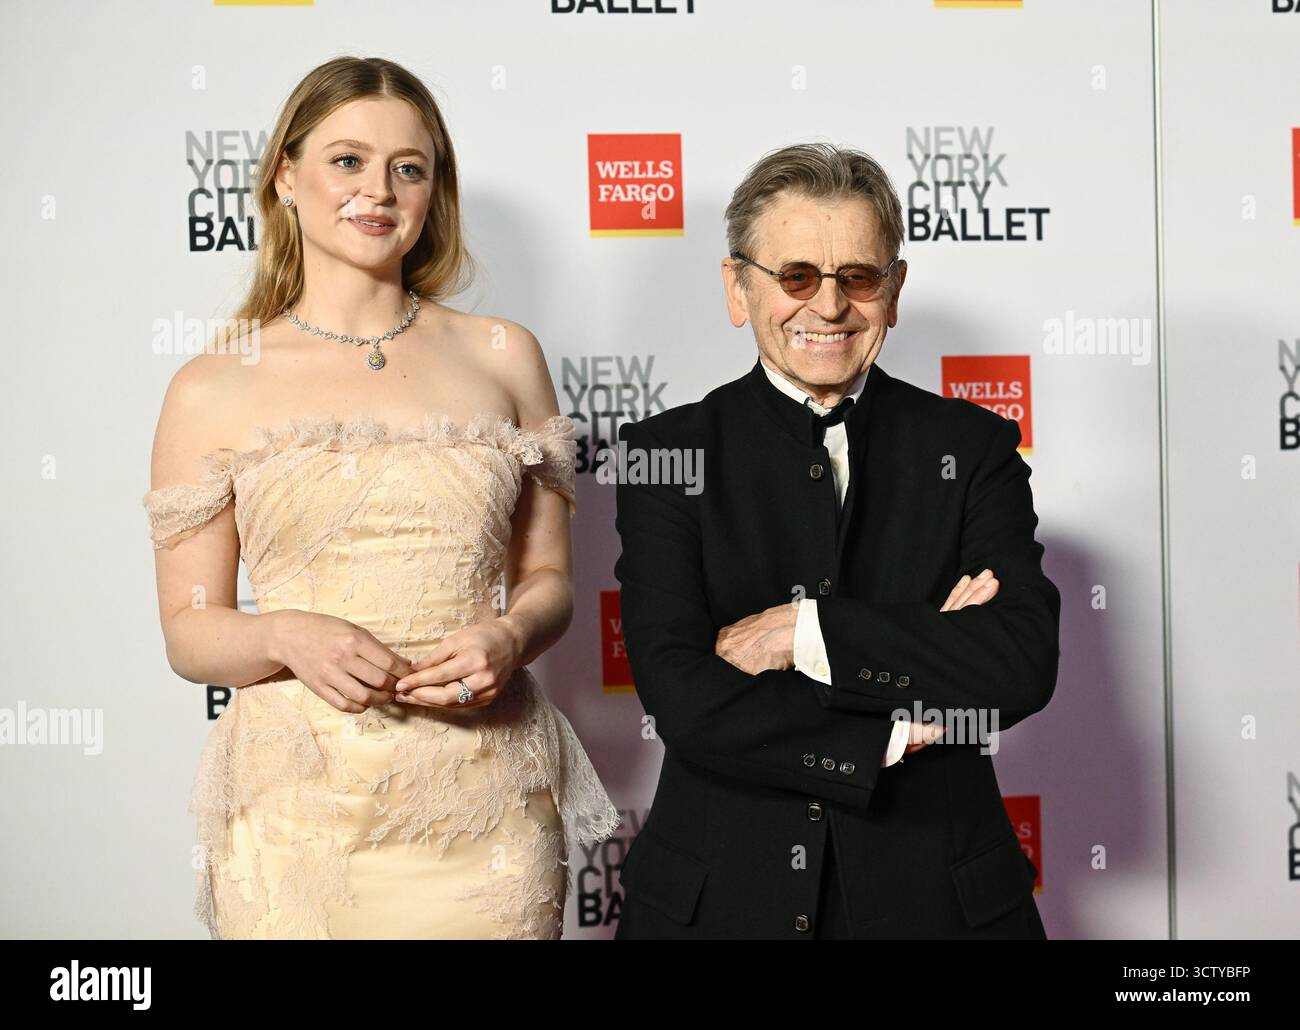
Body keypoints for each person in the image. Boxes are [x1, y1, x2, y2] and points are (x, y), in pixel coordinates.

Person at [143, 56, 618, 939]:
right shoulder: (211, 386)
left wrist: (511, 634)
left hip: (489, 807)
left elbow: (550, 573)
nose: (380, 191)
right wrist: (283, 634)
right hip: (298, 819)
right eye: (348, 161)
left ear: (435, 190)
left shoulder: (505, 355)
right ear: (286, 176)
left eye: (411, 167)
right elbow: (190, 628)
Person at [612, 142, 1060, 939]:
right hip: (719, 903)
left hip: (940, 900)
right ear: (737, 289)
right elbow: (682, 695)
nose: (828, 307)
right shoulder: (663, 454)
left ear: (893, 290)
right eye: (795, 277)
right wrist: (894, 726)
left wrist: (805, 634)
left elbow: (1019, 662)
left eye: (858, 276)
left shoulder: (977, 446)